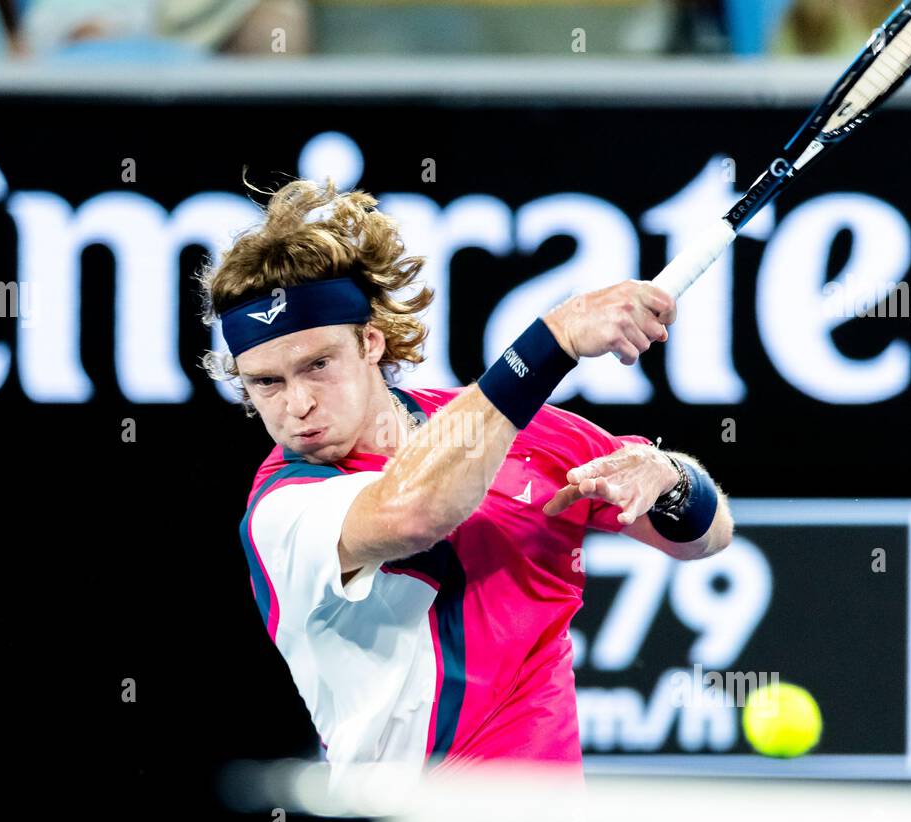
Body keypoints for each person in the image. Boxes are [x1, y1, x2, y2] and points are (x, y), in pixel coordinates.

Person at [200, 178, 733, 791]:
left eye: (317, 365)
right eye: (266, 383)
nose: (297, 404)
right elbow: (414, 513)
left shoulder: (515, 429)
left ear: (369, 342)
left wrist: (669, 479)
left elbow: (704, 537)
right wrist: (554, 339)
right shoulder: (283, 507)